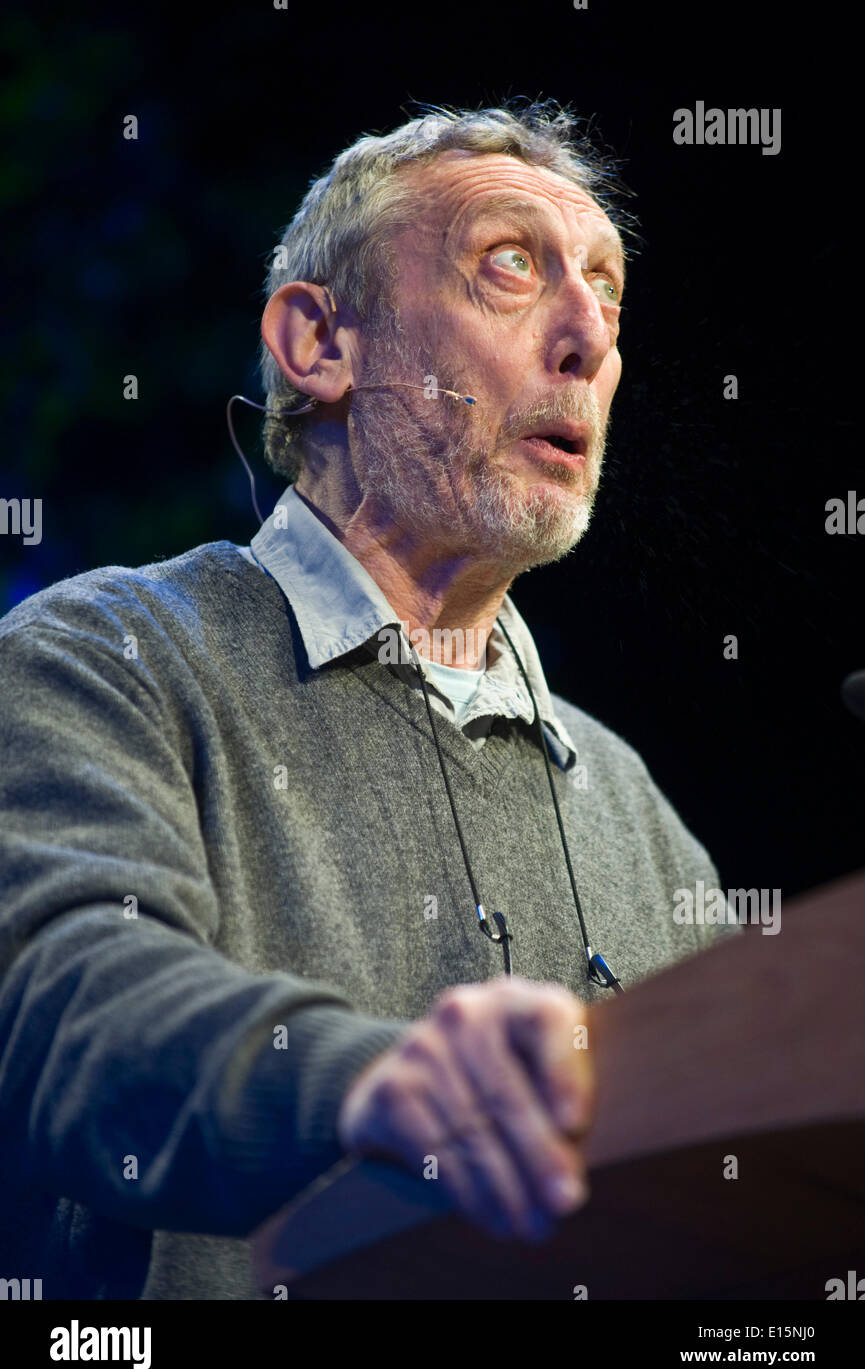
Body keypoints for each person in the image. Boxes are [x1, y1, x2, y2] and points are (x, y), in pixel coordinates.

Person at [0, 102, 738, 1301]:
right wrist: (372, 1089)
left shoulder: (632, 807)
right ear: (318, 342)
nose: (589, 338)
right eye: (513, 264)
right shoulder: (109, 659)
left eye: (607, 291)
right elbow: (69, 1012)